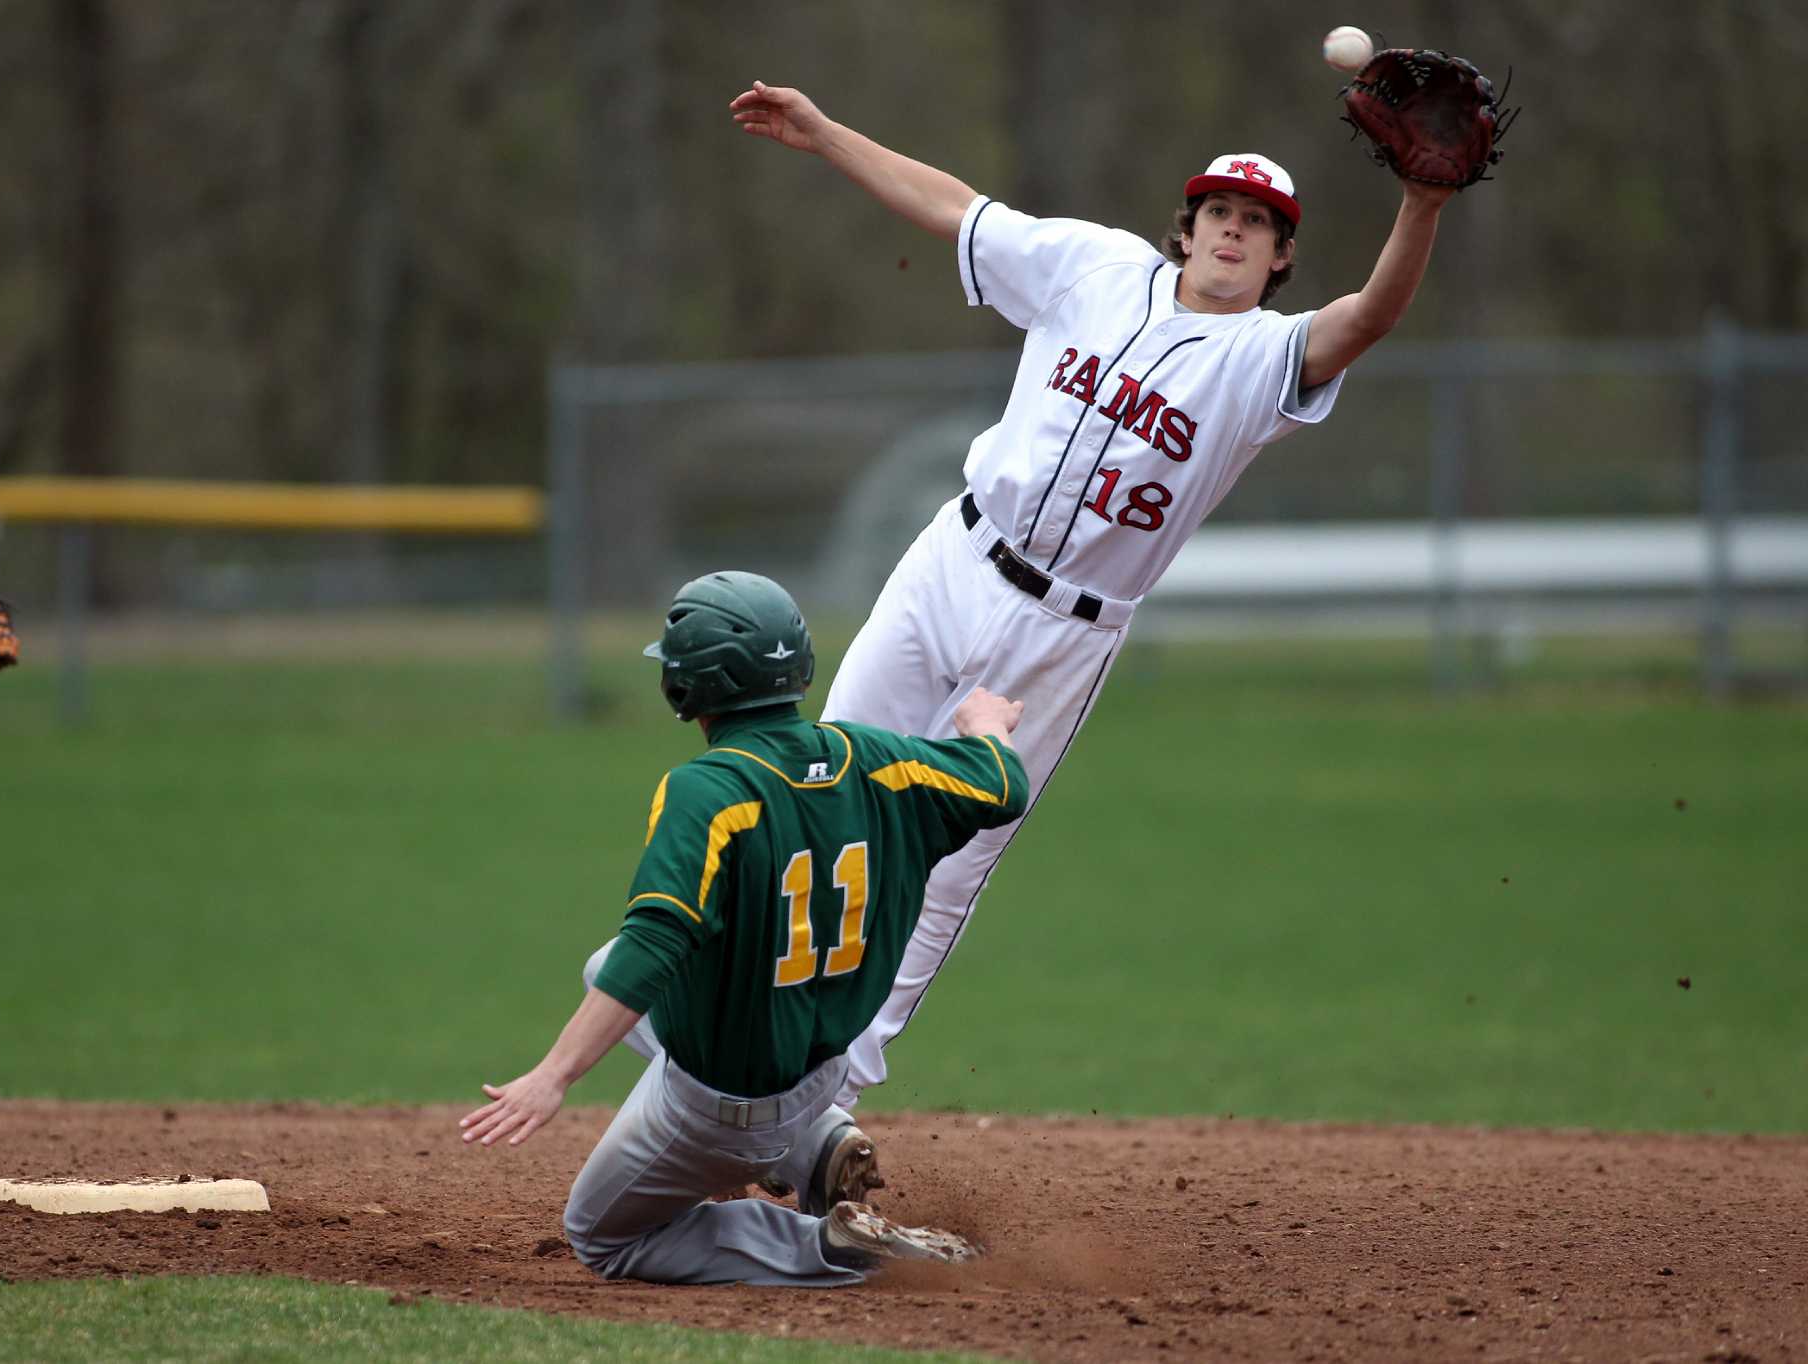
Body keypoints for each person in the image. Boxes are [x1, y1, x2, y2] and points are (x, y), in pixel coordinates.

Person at [728, 83, 1455, 1117]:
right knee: (825, 787)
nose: (1234, 230)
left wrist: (1420, 204)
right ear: (1186, 228)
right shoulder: (1096, 266)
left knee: (947, 864)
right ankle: (727, 1049)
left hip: (1059, 633)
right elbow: (956, 208)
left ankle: (820, 1101)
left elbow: (1370, 316)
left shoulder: (1262, 358)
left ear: (1280, 257)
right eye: (1219, 212)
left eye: (1258, 224)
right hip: (953, 559)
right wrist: (823, 134)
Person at [461, 570, 1029, 1284]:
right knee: (603, 965)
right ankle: (819, 1142)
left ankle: (828, 1247)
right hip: (821, 1072)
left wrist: (553, 1077)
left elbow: (657, 940)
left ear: (683, 687)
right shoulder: (880, 761)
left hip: (725, 1110)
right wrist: (985, 727)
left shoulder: (708, 791)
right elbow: (1003, 785)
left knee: (602, 1238)